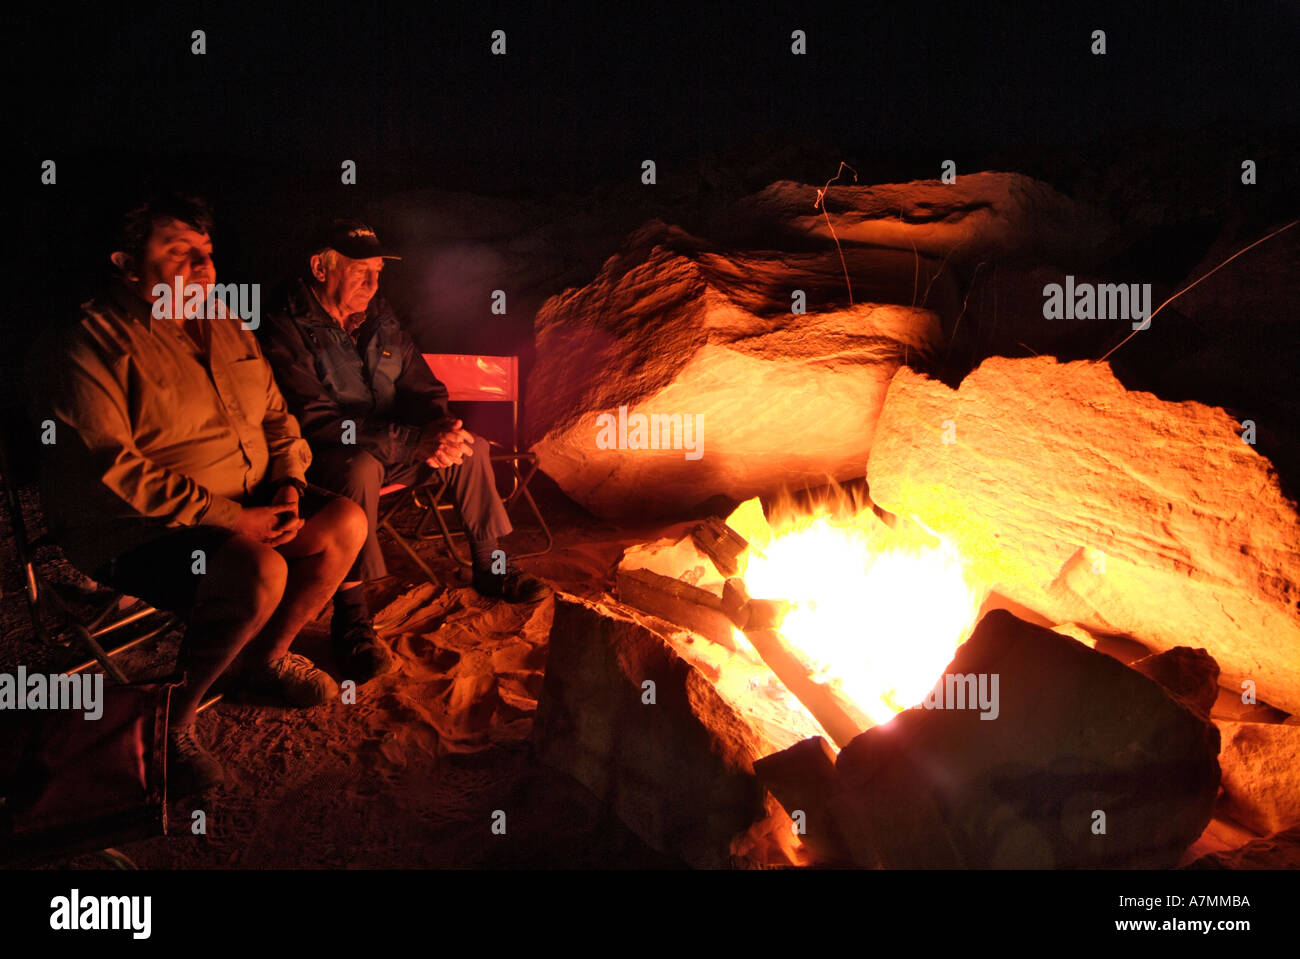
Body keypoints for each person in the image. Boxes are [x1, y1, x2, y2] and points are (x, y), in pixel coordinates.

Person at [25, 194, 368, 795]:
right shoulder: (85, 341)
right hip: (136, 528)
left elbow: (275, 415)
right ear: (126, 264)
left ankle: (263, 660)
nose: (202, 265)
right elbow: (114, 468)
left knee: (343, 522)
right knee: (258, 569)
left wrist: (288, 480)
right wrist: (236, 518)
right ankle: (166, 728)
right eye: (178, 251)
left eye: (206, 252)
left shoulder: (227, 321)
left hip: (249, 499)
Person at [259, 219, 549, 683]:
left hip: (394, 439)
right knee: (357, 469)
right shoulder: (283, 325)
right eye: (361, 272)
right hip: (332, 450)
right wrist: (413, 440)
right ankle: (352, 619)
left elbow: (423, 383)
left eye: (378, 272)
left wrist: (440, 425)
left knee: (468, 448)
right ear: (320, 267)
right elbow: (316, 420)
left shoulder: (380, 316)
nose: (373, 284)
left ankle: (489, 566)